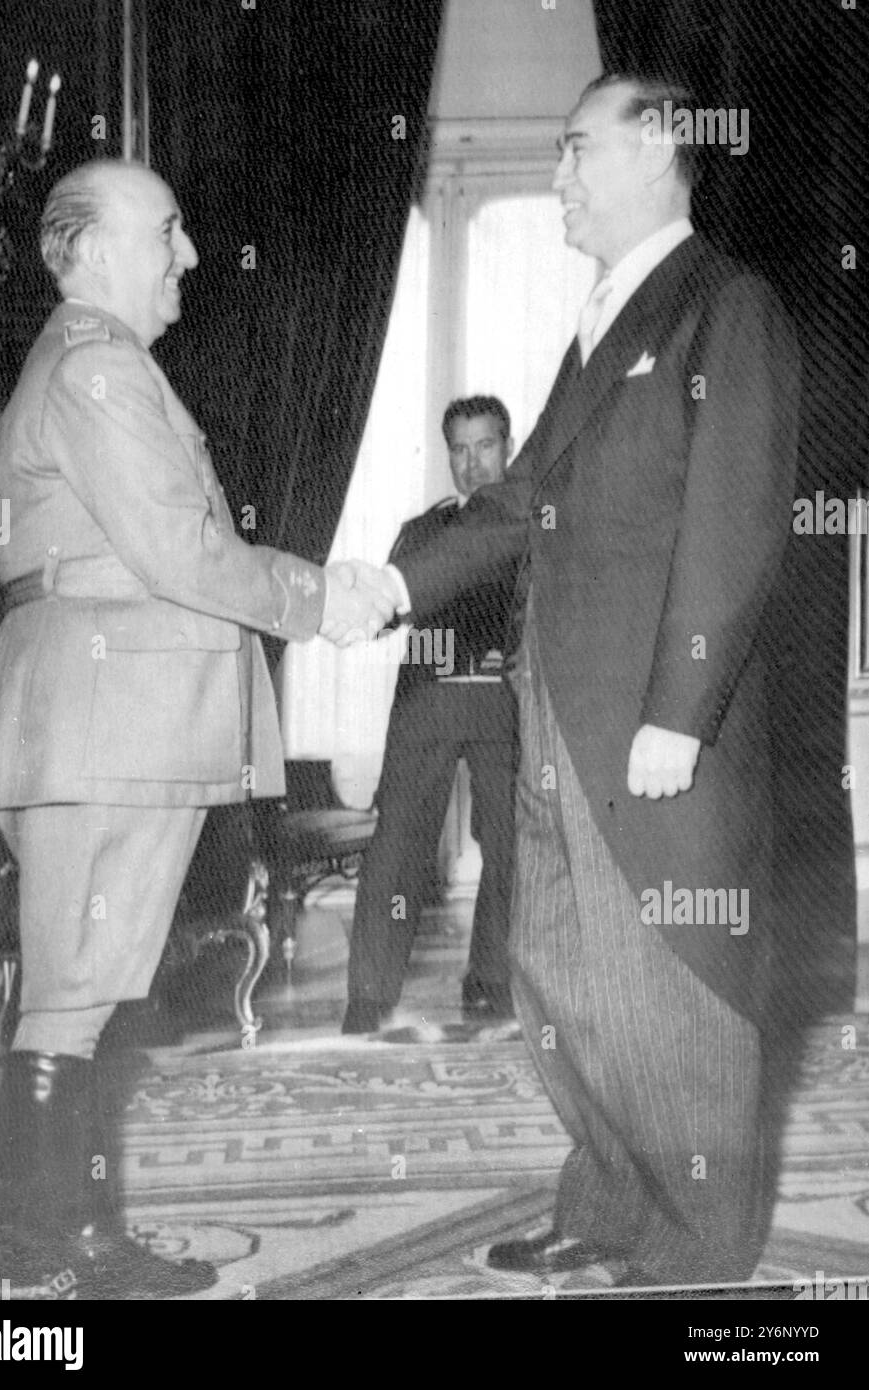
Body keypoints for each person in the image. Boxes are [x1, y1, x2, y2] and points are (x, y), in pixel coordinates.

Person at [377, 74, 800, 1287]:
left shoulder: (725, 306)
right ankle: (607, 1207)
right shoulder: (606, 322)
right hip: (556, 718)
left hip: (651, 728)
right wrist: (395, 587)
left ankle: (696, 1251)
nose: (557, 174)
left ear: (660, 148)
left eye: (575, 150)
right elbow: (522, 504)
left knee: (672, 992)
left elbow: (736, 517)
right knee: (563, 978)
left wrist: (681, 711)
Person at [0, 158, 394, 1300]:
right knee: (70, 995)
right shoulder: (100, 366)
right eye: (167, 232)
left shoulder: (94, 364)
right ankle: (53, 1263)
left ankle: (72, 1247)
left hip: (106, 716)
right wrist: (322, 599)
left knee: (85, 992)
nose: (189, 255)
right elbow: (179, 551)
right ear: (90, 248)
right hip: (105, 718)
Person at [342, 396, 519, 1034]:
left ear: (509, 447)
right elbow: (388, 612)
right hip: (430, 699)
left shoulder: (530, 526)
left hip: (504, 703)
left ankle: (494, 980)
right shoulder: (422, 529)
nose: (472, 464)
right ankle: (368, 995)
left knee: (511, 844)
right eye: (459, 450)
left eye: (485, 447)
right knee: (398, 846)